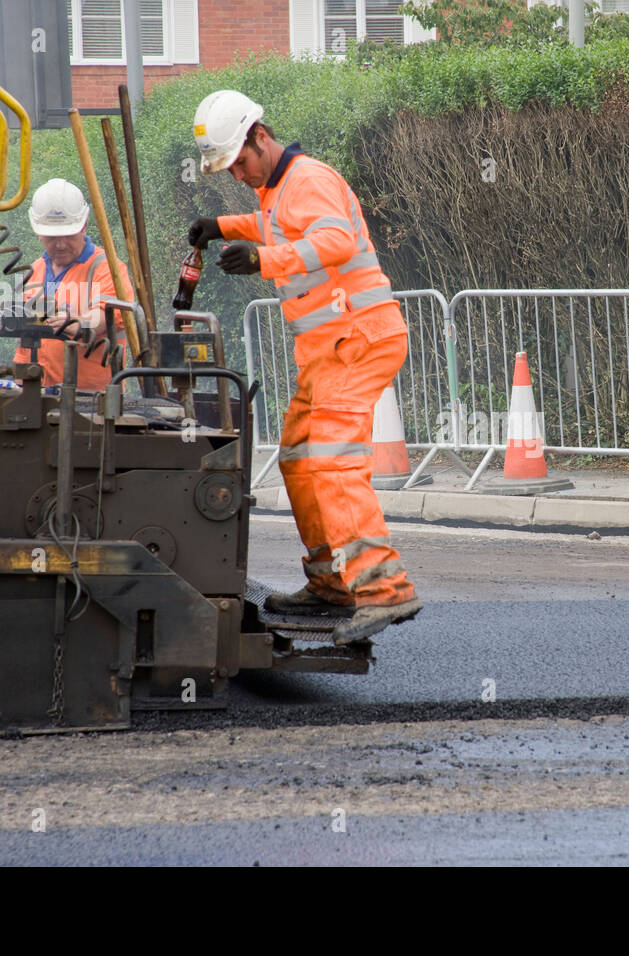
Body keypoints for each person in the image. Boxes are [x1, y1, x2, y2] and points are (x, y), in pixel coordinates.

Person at [186, 89, 420, 645]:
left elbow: (332, 238)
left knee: (333, 462)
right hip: (327, 350)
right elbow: (278, 224)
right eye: (230, 168)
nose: (239, 173)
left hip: (356, 339)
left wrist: (265, 261)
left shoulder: (308, 178)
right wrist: (222, 225)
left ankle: (384, 589)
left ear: (260, 136)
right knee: (297, 457)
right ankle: (332, 583)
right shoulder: (276, 190)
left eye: (241, 161)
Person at [12, 178, 132, 389]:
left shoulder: (107, 267)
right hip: (37, 395)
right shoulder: (34, 271)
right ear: (39, 233)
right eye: (52, 237)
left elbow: (107, 315)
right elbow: (25, 338)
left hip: (94, 404)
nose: (60, 244)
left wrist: (79, 322)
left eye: (68, 235)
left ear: (83, 225)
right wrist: (19, 382)